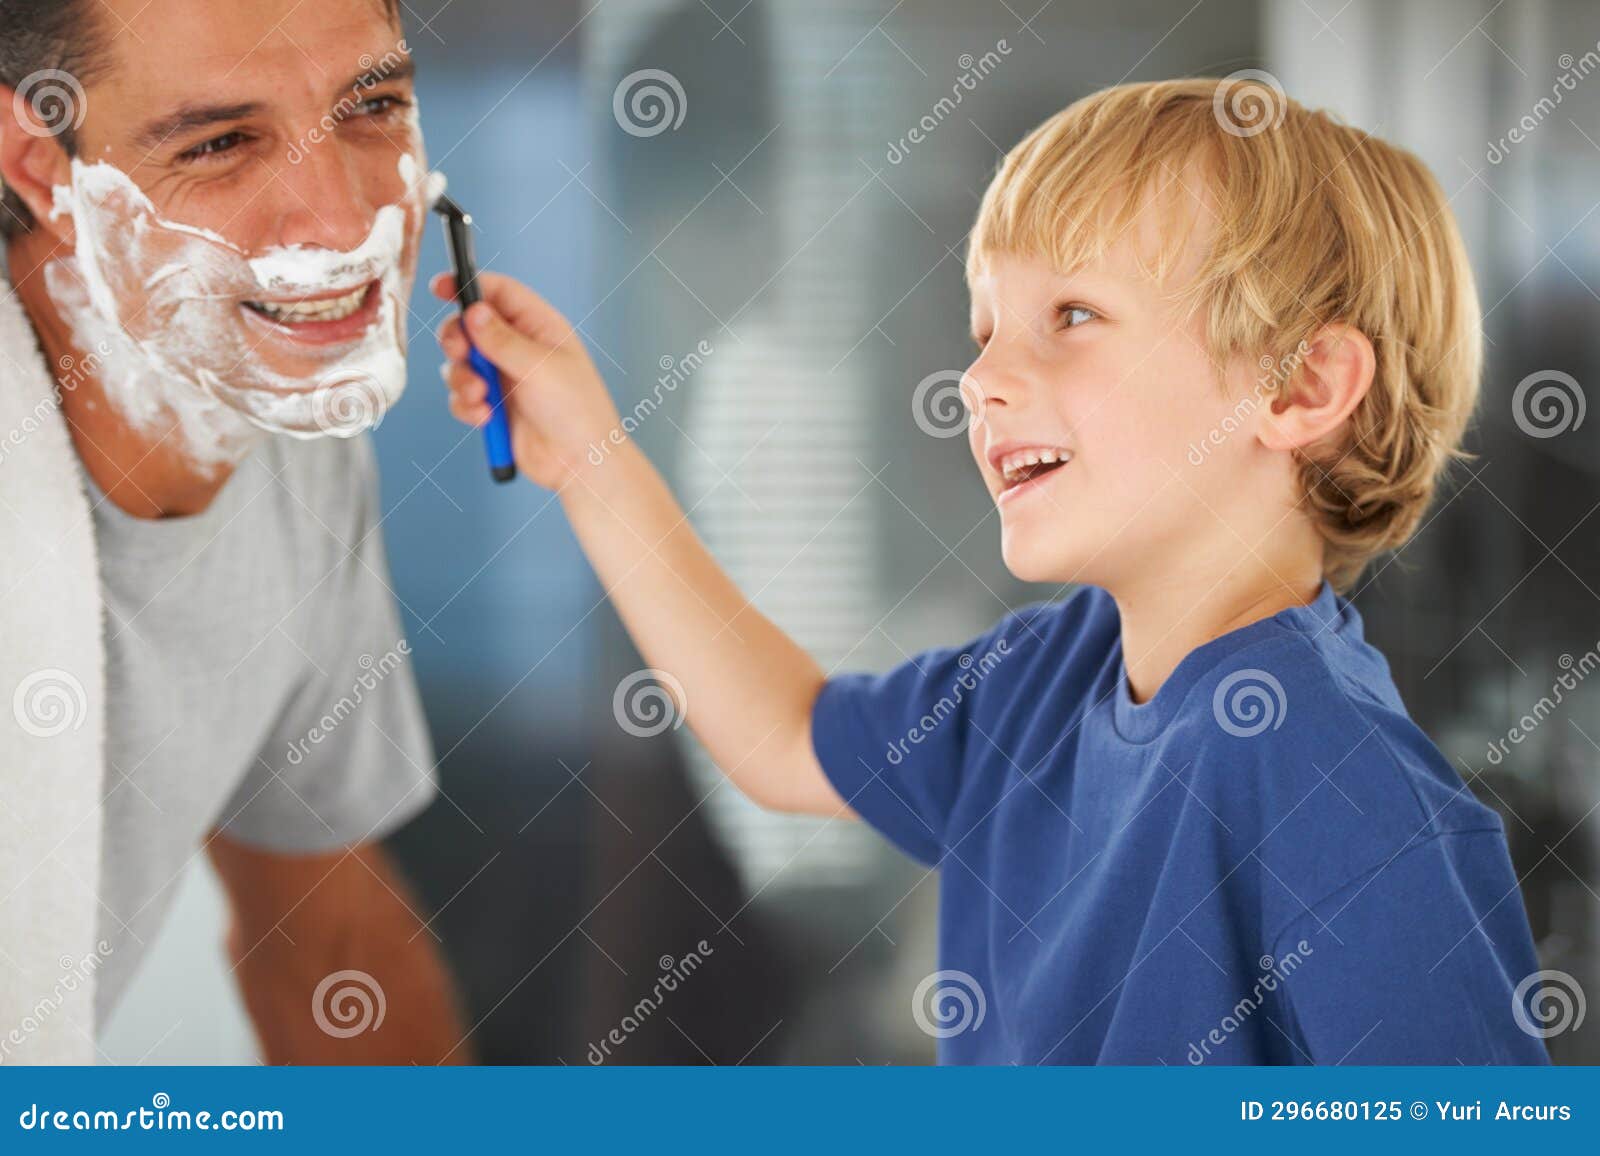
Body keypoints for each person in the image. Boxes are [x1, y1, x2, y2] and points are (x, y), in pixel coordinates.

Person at [436, 79, 1550, 1063]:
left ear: (1302, 387)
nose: (978, 379)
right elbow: (784, 736)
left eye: (1070, 314)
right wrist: (587, 455)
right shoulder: (1042, 677)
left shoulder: (1345, 793)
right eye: (983, 329)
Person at [0, 0, 462, 1063]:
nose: (341, 224)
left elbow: (329, 938)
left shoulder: (286, 434)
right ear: (38, 165)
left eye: (373, 106)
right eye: (217, 144)